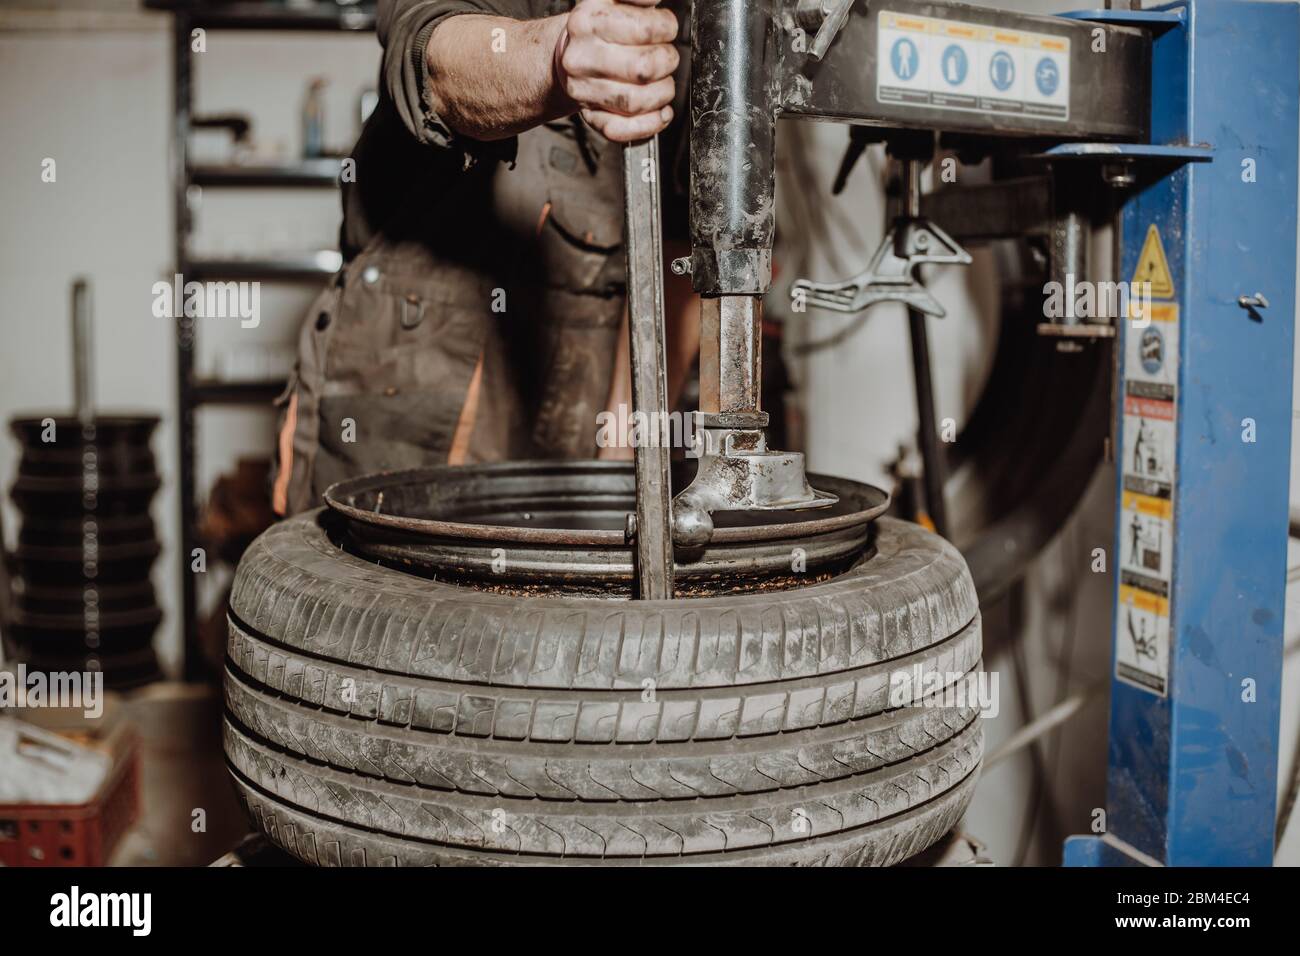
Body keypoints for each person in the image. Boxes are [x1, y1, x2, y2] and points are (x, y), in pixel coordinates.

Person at [273, 0, 696, 515]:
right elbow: (435, 57)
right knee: (369, 580)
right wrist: (558, 58)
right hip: (394, 390)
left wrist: (621, 454)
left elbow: (676, 254)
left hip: (569, 405)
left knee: (550, 586)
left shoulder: (697, 24)